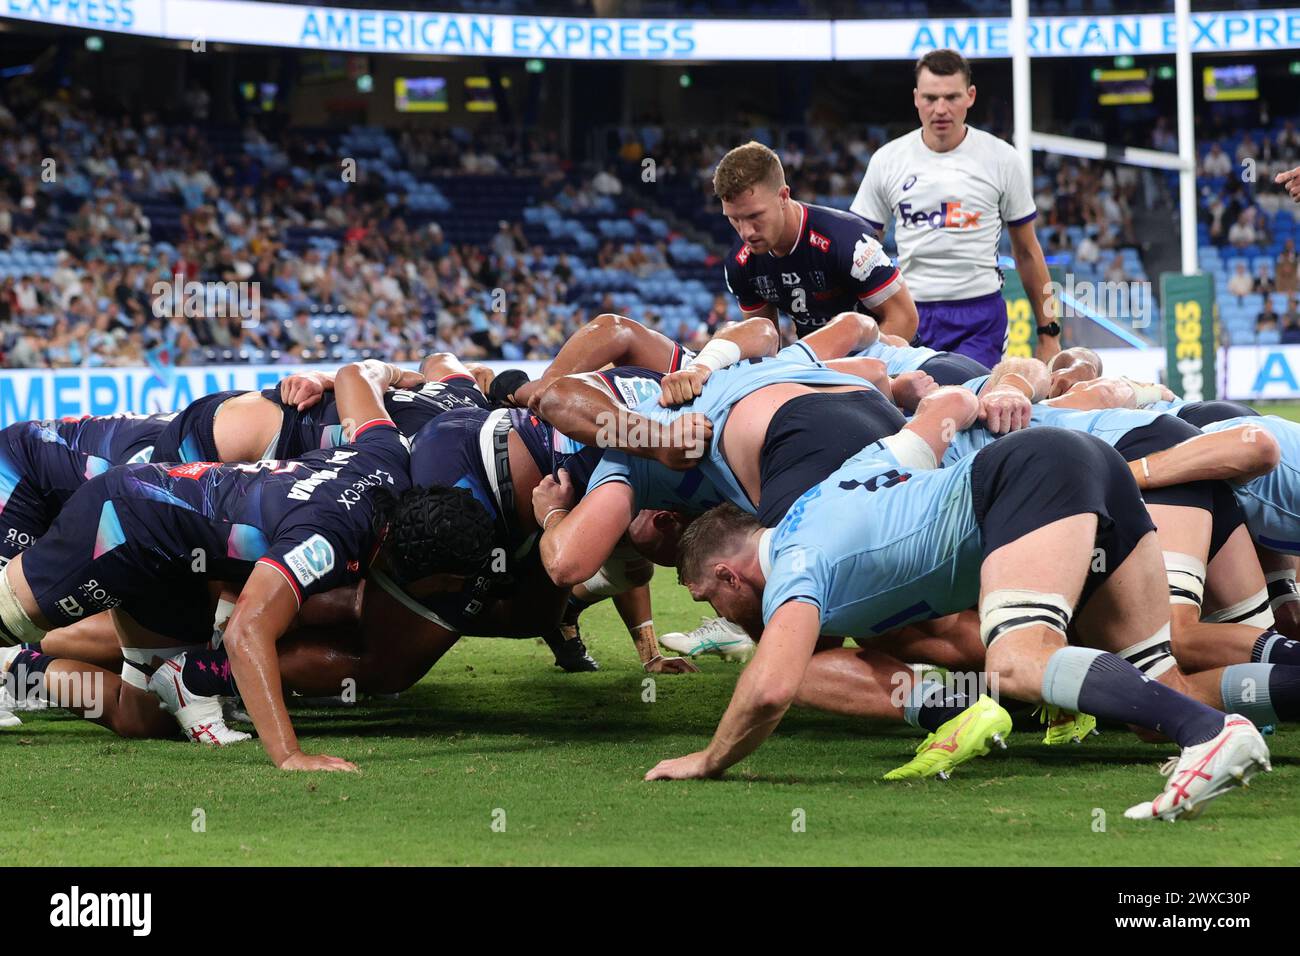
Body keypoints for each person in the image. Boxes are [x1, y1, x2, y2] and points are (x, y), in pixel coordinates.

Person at [649, 428, 1271, 822]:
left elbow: (772, 687)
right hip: (1087, 461)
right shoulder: (822, 495)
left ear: (731, 576)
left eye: (709, 600)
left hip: (1026, 478)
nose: (717, 614)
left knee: (1018, 660)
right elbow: (931, 420)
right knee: (1155, 694)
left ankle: (1212, 732)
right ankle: (1246, 705)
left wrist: (710, 759)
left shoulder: (794, 566)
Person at [851, 49, 1060, 366]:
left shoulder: (1002, 159)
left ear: (970, 96)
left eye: (951, 97)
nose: (941, 109)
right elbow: (858, 249)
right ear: (916, 98)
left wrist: (1050, 334)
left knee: (965, 404)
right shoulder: (887, 160)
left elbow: (1029, 252)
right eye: (931, 98)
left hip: (979, 317)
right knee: (903, 410)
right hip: (908, 312)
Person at [715, 141, 919, 342]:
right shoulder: (740, 263)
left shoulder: (848, 241)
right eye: (734, 218)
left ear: (784, 196)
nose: (746, 232)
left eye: (755, 215)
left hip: (889, 360)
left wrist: (848, 372)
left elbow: (904, 319)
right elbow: (762, 344)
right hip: (815, 364)